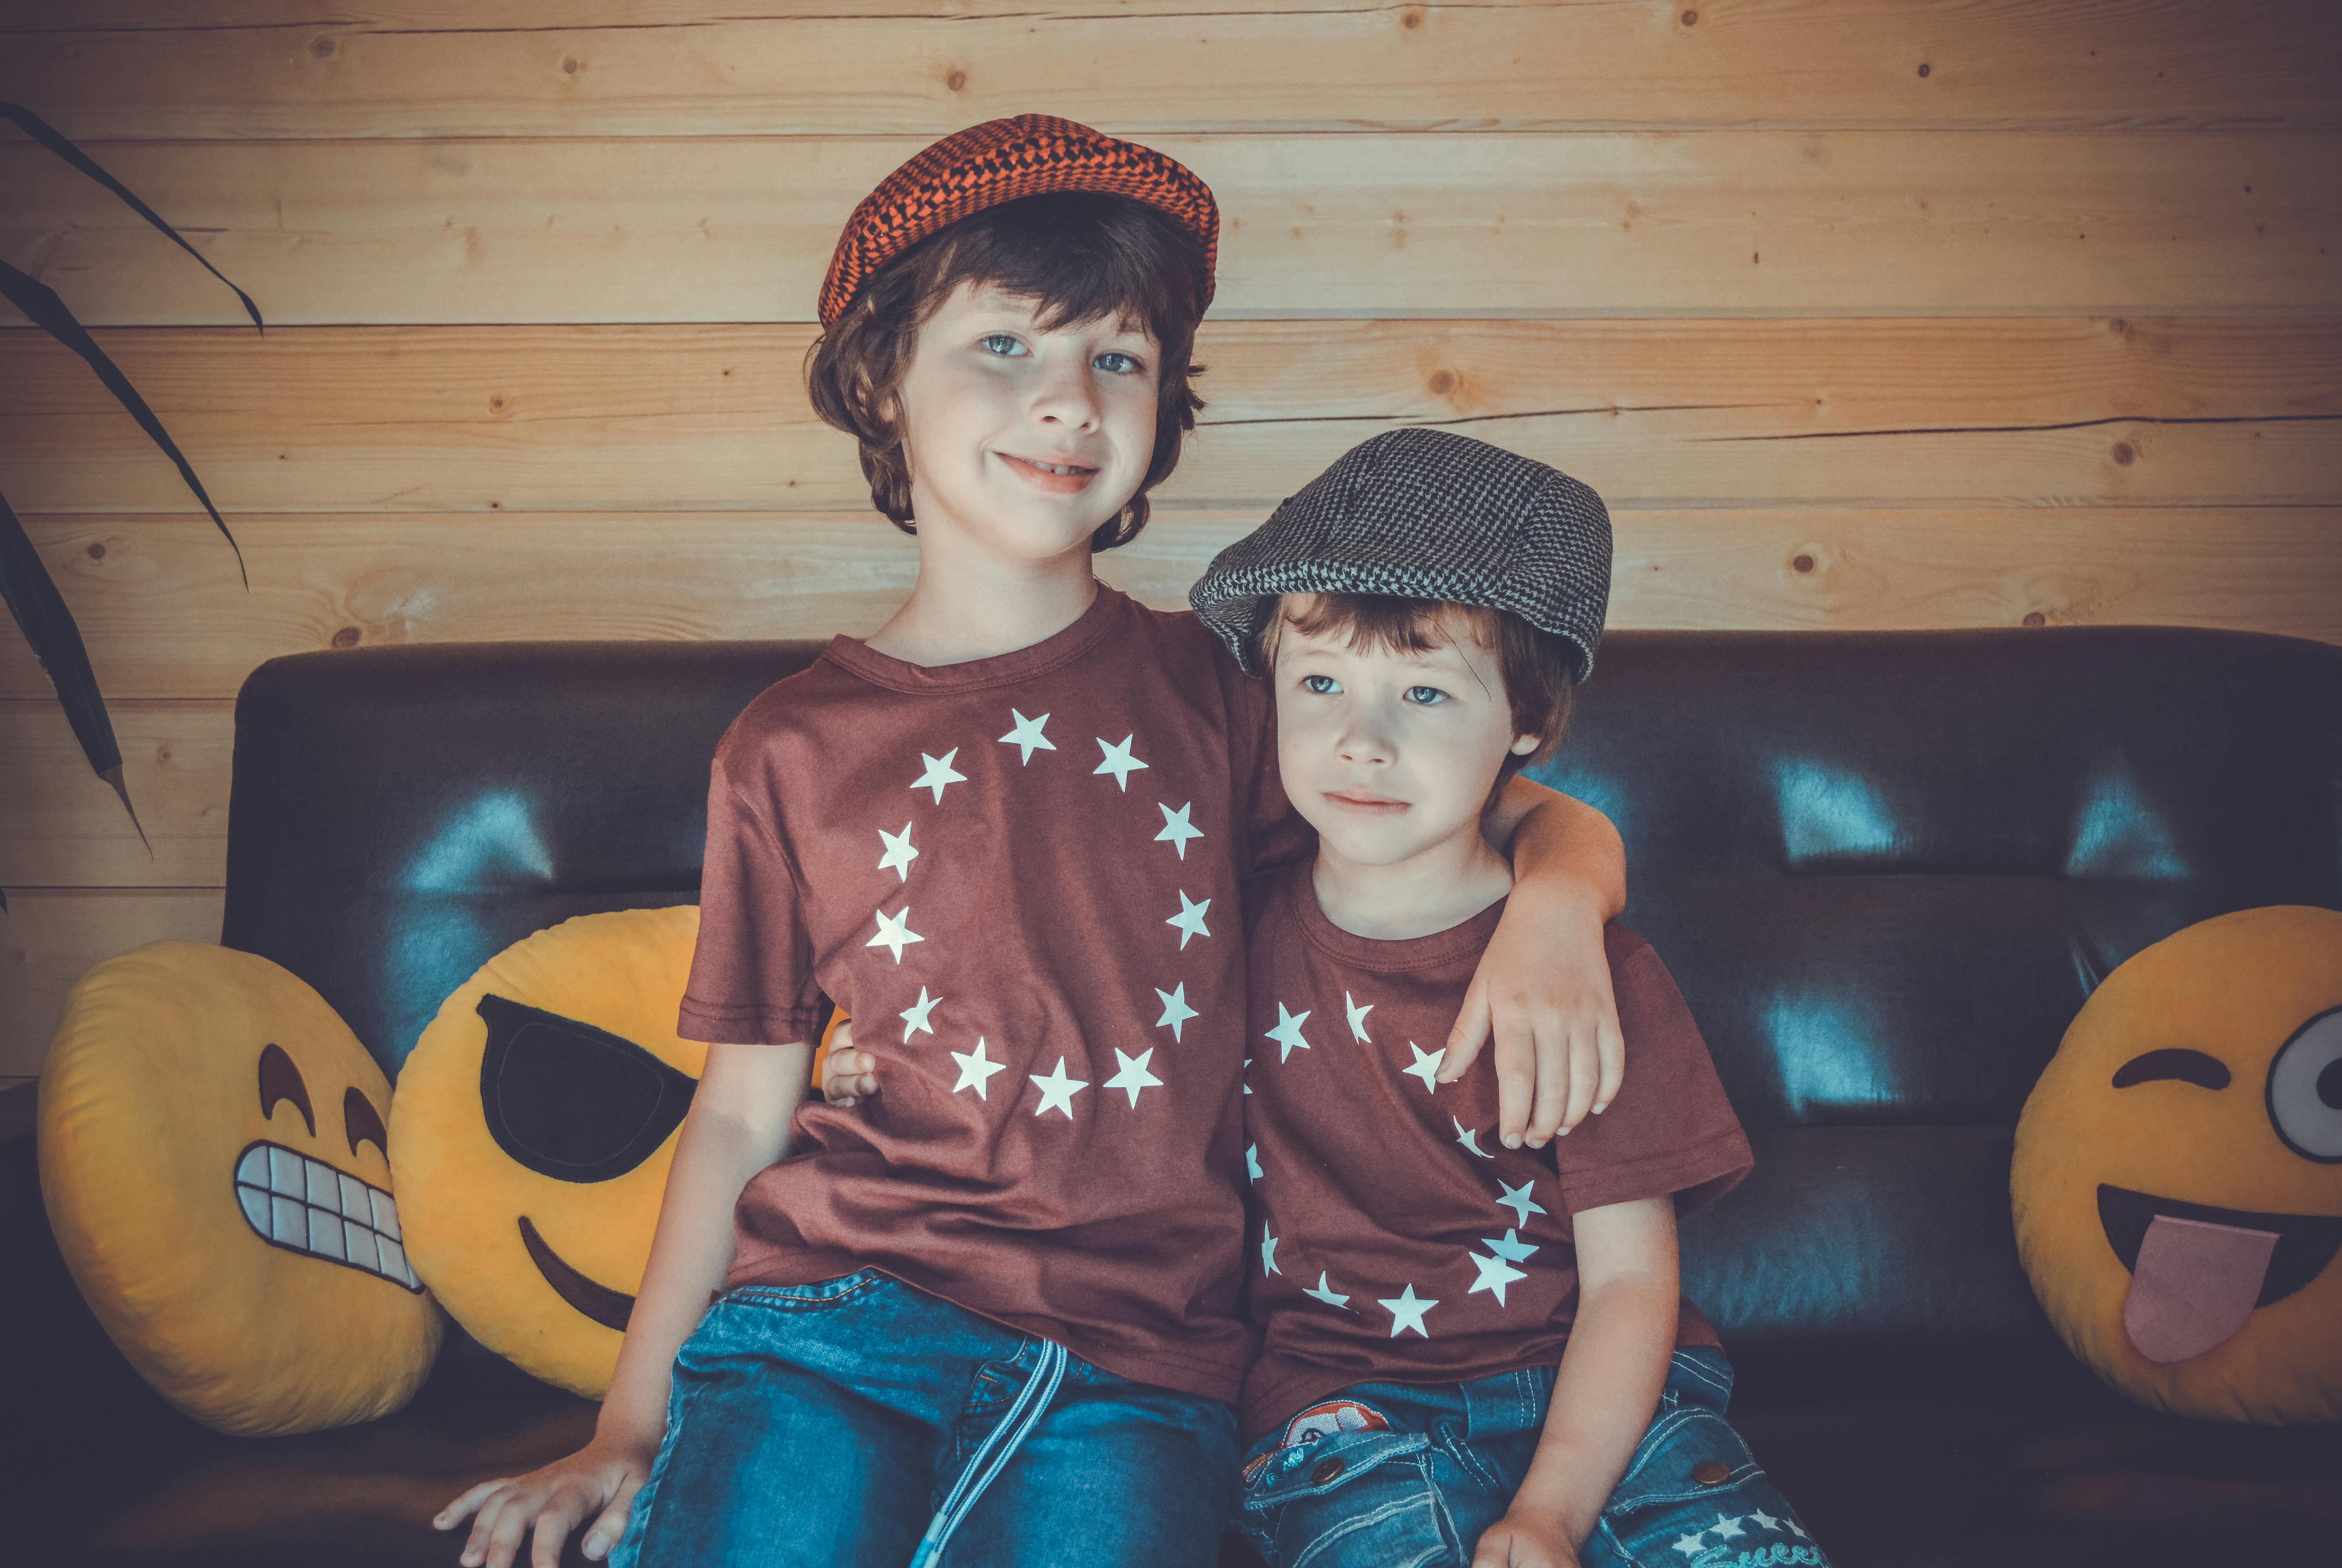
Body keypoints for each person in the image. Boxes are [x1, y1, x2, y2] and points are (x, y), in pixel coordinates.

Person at [432, 118, 1634, 1568]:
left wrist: (1563, 906)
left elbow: (1515, 808)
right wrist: (628, 1427)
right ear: (883, 378)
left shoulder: (1229, 693)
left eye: (1116, 360)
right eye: (1005, 345)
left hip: (1146, 1362)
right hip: (830, 1323)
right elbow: (742, 1117)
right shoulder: (785, 750)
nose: (1066, 402)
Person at [1192, 429, 1824, 1568]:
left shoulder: (1597, 975)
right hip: (1343, 1416)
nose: (1362, 741)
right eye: (1321, 682)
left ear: (1527, 725)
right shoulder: (1224, 921)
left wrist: (1550, 1516)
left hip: (1605, 1402)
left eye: (1427, 693)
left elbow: (1633, 1285)